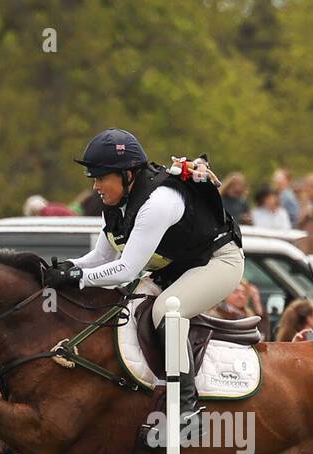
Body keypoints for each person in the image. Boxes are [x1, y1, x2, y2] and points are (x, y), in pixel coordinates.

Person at [51, 129, 244, 423]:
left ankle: (187, 410)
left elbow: (125, 270)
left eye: (101, 178)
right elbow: (102, 258)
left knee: (167, 311)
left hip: (219, 262)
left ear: (128, 175)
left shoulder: (159, 202)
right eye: (94, 179)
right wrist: (63, 268)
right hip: (176, 268)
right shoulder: (115, 206)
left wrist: (77, 276)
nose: (95, 187)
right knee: (122, 310)